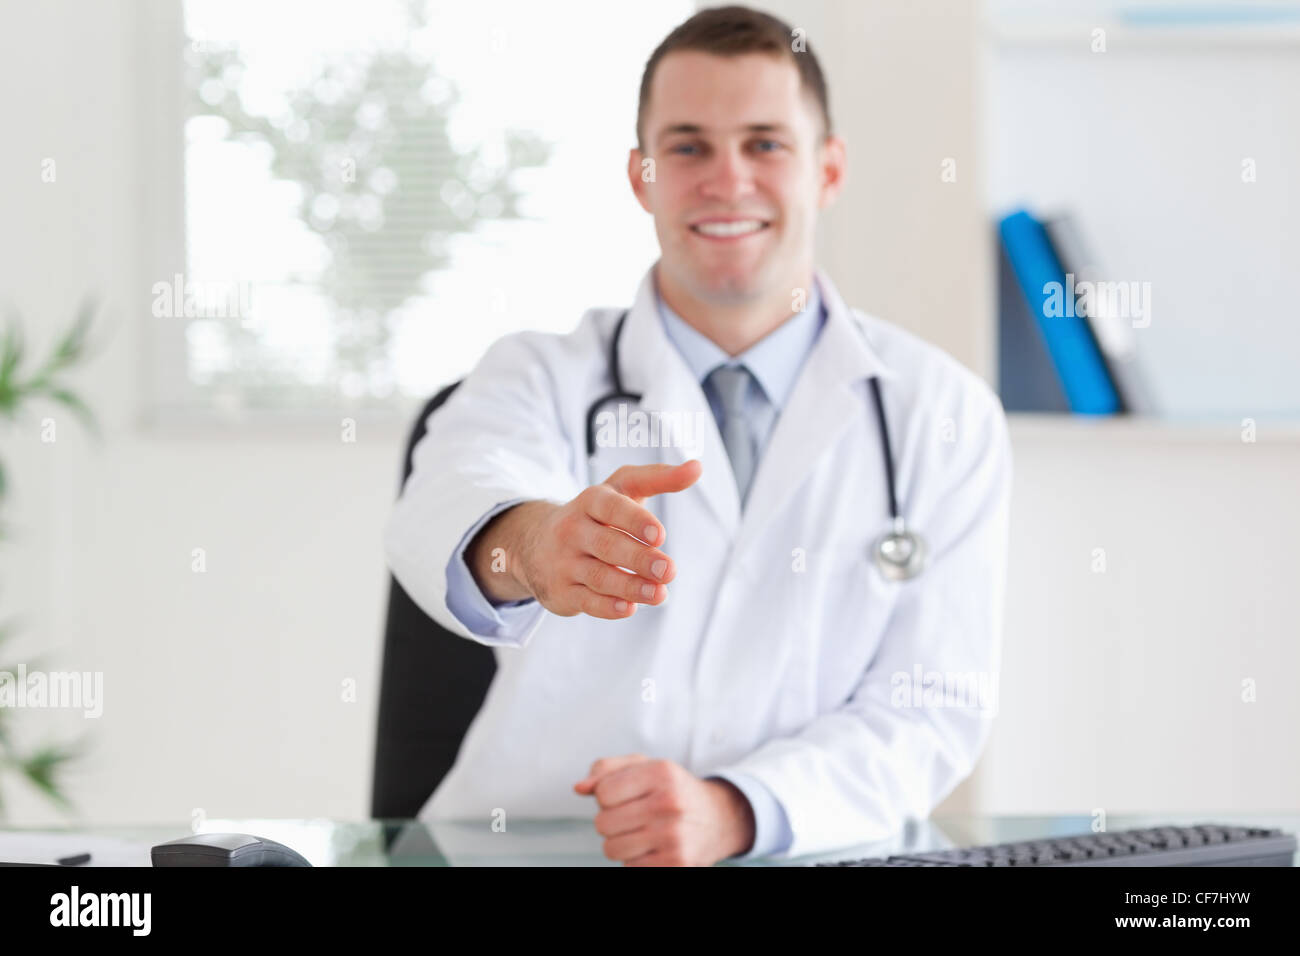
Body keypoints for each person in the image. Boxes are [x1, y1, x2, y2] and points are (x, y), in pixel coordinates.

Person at [384, 5, 1012, 866]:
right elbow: (448, 494)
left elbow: (930, 707)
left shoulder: (943, 415)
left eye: (765, 143)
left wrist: (738, 811)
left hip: (806, 847)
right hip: (531, 853)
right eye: (687, 146)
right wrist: (533, 544)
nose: (726, 180)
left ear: (827, 170)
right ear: (641, 176)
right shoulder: (535, 374)